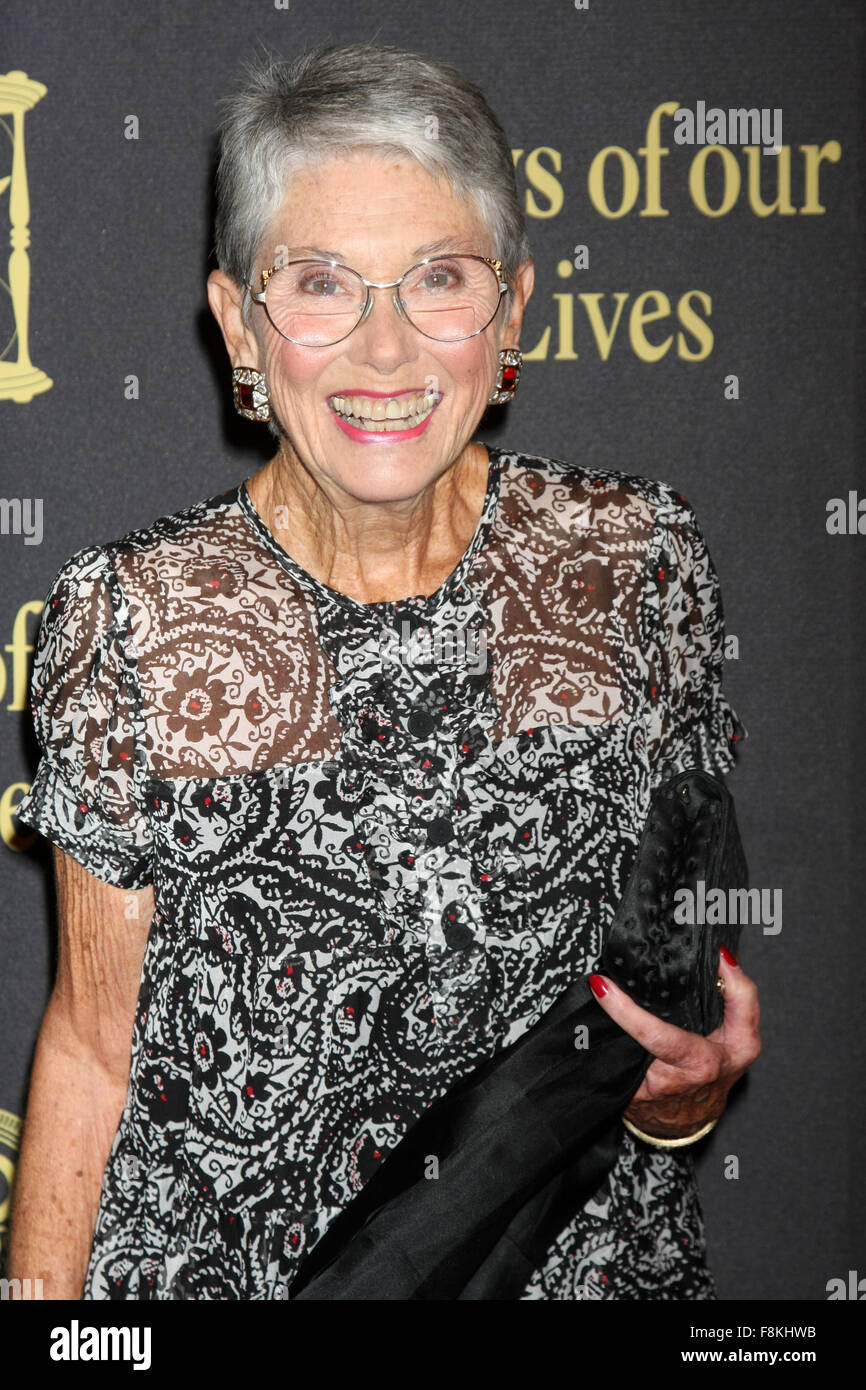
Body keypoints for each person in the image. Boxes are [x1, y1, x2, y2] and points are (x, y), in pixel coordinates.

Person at [9, 41, 760, 1301]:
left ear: (510, 311)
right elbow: (92, 1050)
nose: (384, 349)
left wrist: (688, 1094)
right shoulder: (133, 617)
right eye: (319, 285)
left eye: (438, 279)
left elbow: (665, 1005)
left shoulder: (629, 567)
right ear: (240, 324)